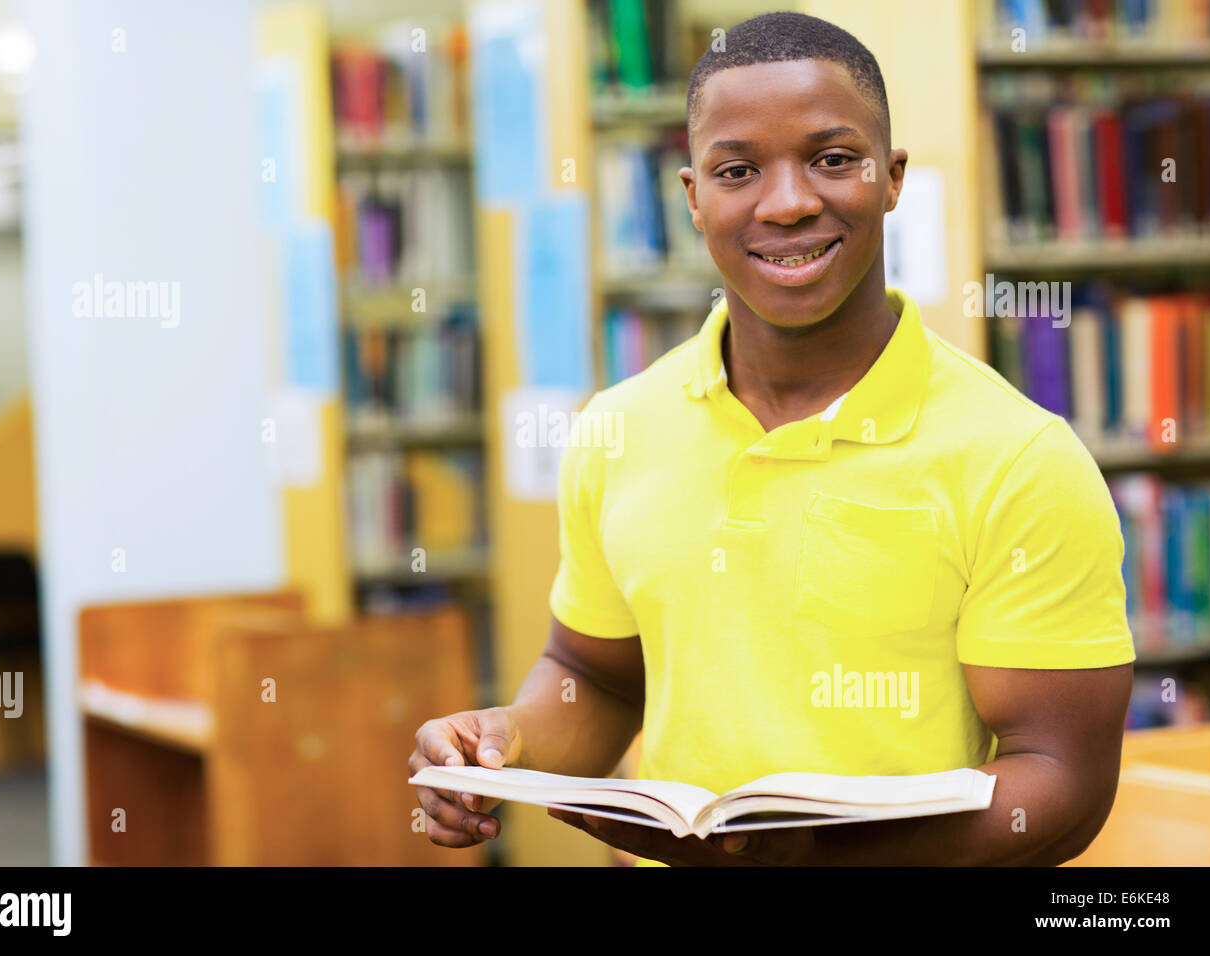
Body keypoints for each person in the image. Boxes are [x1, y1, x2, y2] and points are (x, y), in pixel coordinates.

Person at [409, 11, 1133, 866]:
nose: (788, 203)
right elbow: (596, 678)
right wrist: (501, 748)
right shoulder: (616, 428)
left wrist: (809, 861)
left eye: (832, 158)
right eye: (739, 169)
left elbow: (1062, 781)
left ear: (891, 177)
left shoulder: (1019, 459)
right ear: (692, 197)